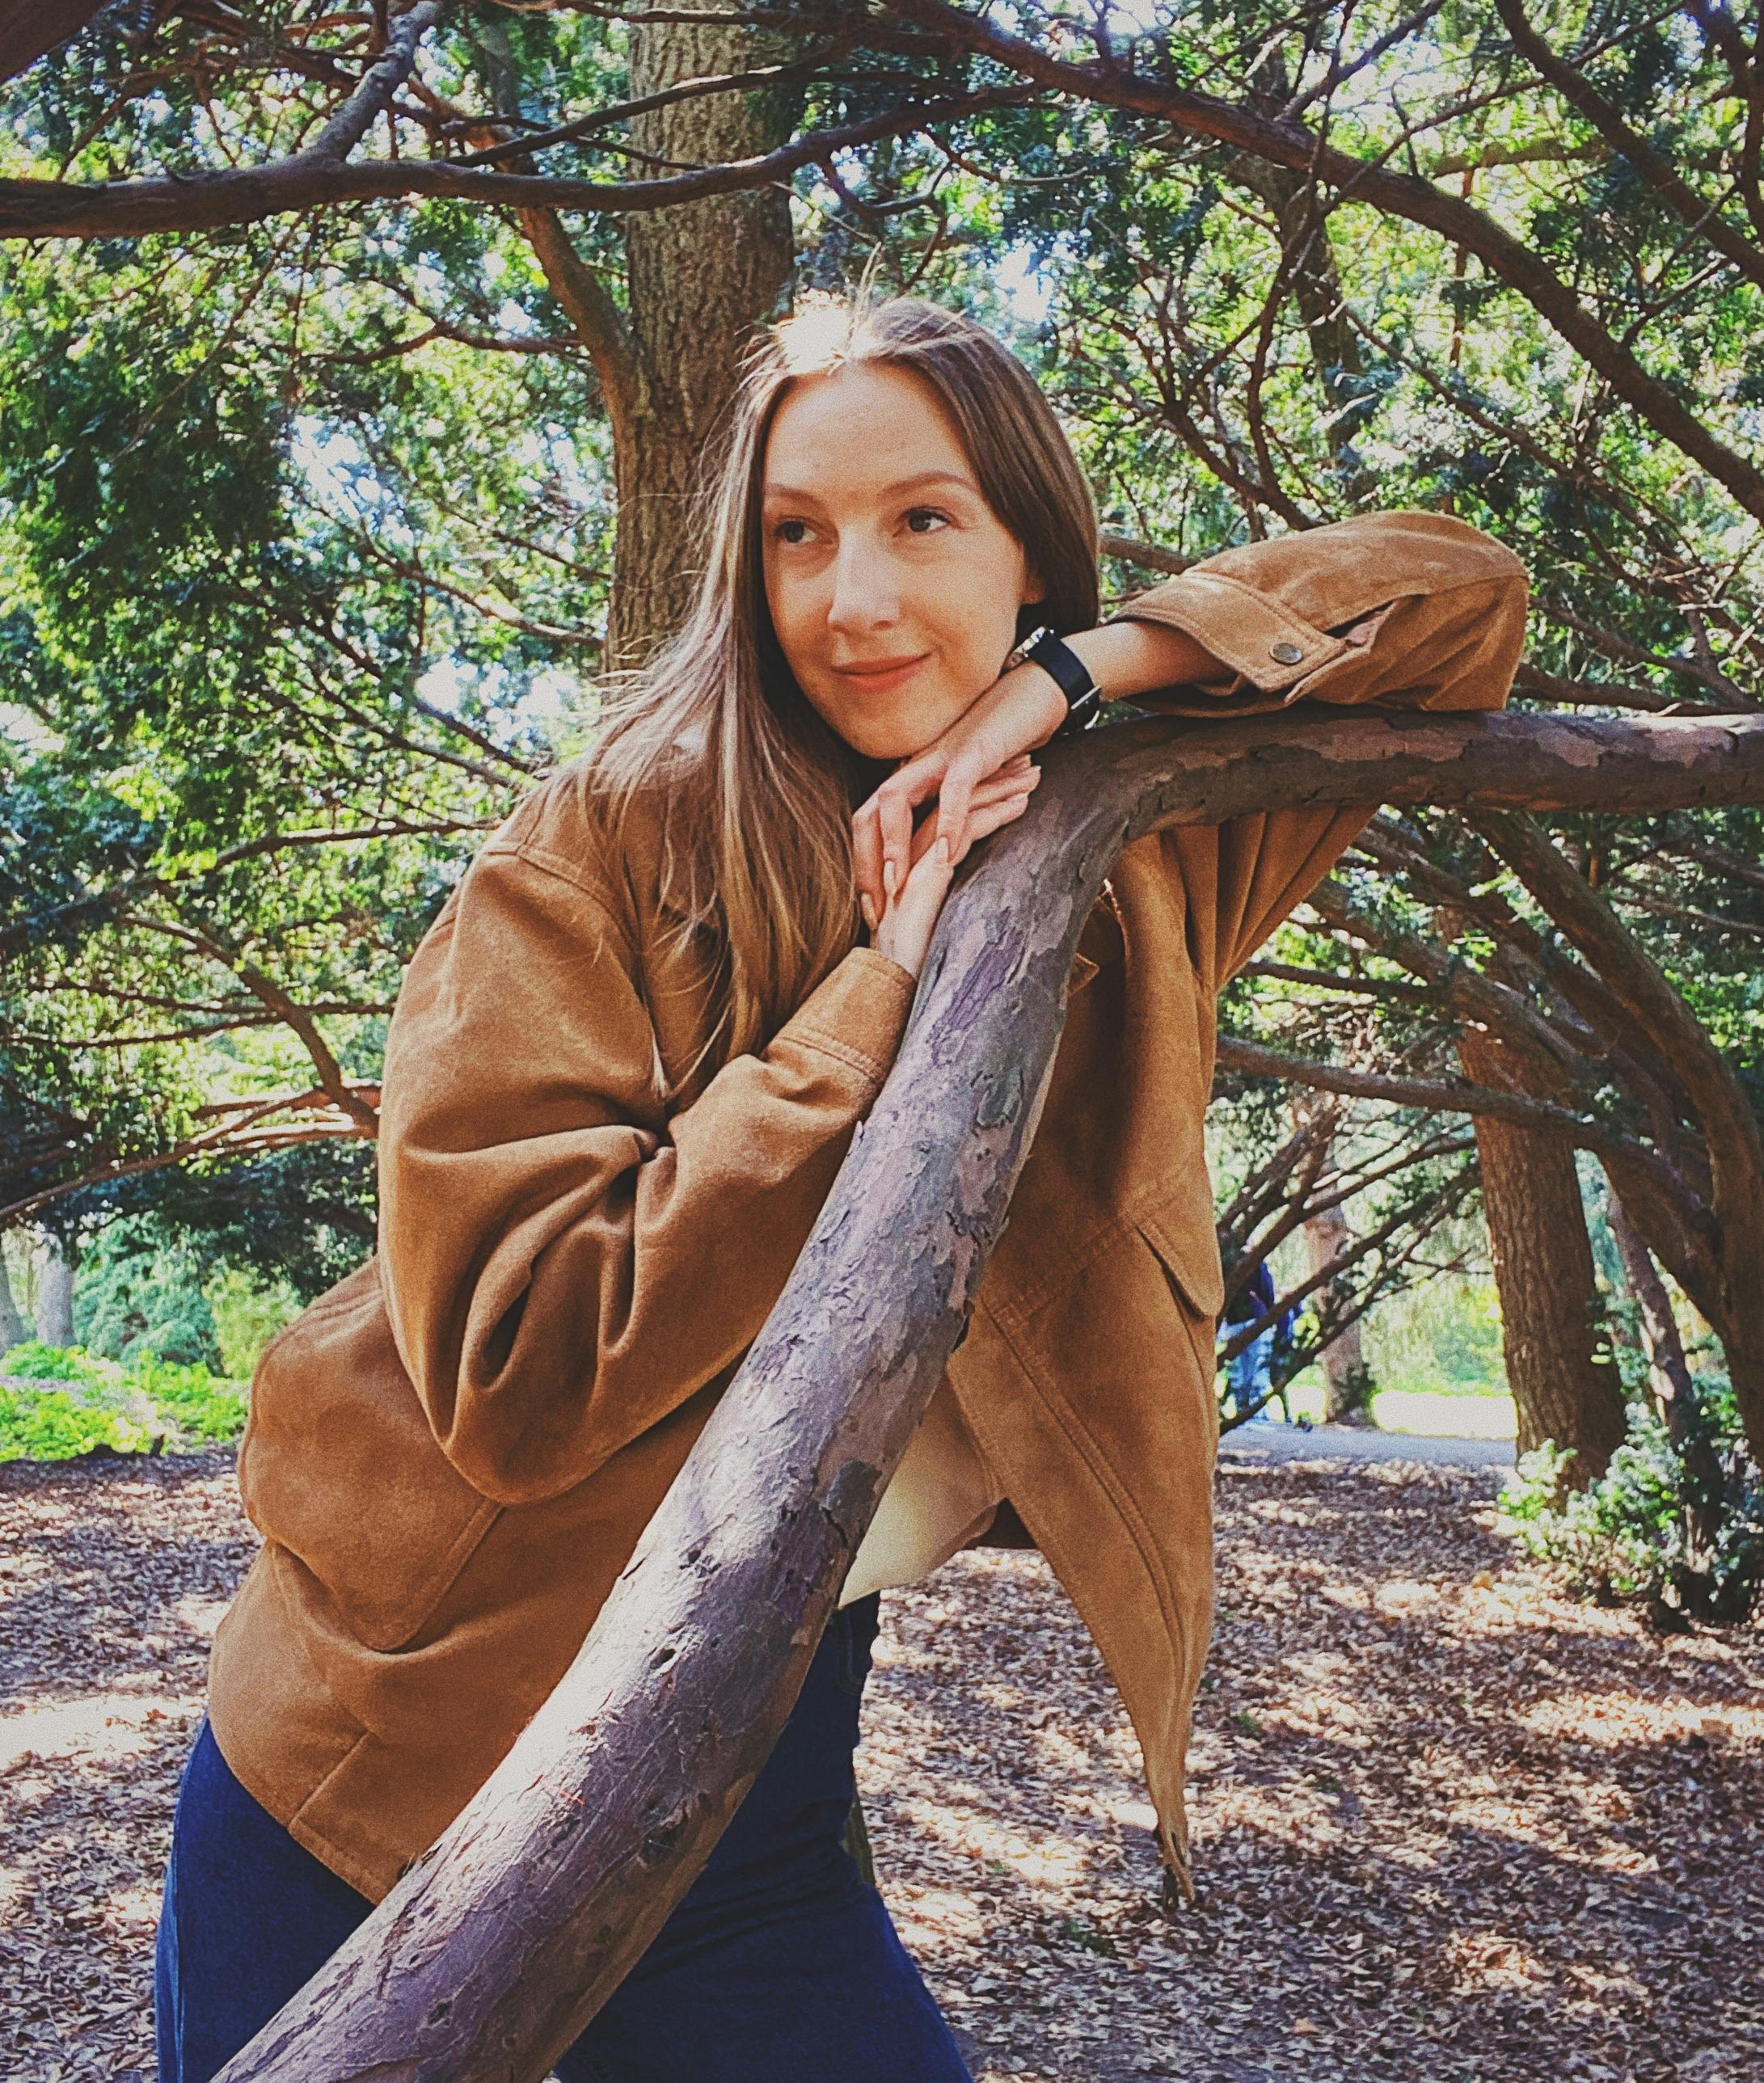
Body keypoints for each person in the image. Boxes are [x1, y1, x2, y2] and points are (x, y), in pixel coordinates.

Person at [154, 289, 1530, 2082]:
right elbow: (517, 1362)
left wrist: (1075, 679)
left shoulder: (1143, 837)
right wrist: (867, 999)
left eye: (921, 519)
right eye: (794, 535)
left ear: (1030, 541)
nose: (851, 600)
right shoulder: (613, 835)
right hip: (393, 1751)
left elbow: (1459, 599)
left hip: (753, 1770)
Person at [1223, 1258, 1297, 1423]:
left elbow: (1266, 1290)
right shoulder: (1248, 1261)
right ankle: (1252, 1412)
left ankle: (1249, 1411)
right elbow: (1267, 1291)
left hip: (1244, 1321)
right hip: (1248, 1320)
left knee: (1246, 1368)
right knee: (1253, 1367)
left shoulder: (1234, 1260)